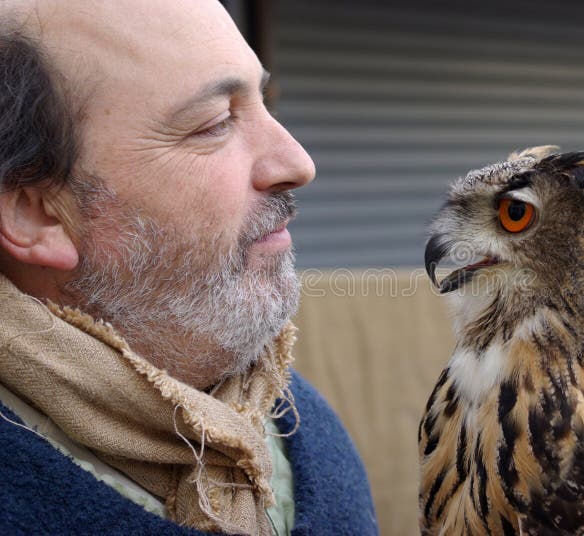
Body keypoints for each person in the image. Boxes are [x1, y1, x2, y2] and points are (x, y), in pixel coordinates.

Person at [0, 1, 377, 534]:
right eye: (214, 123)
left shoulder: (303, 427)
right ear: (36, 212)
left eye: (264, 102)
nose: (298, 162)